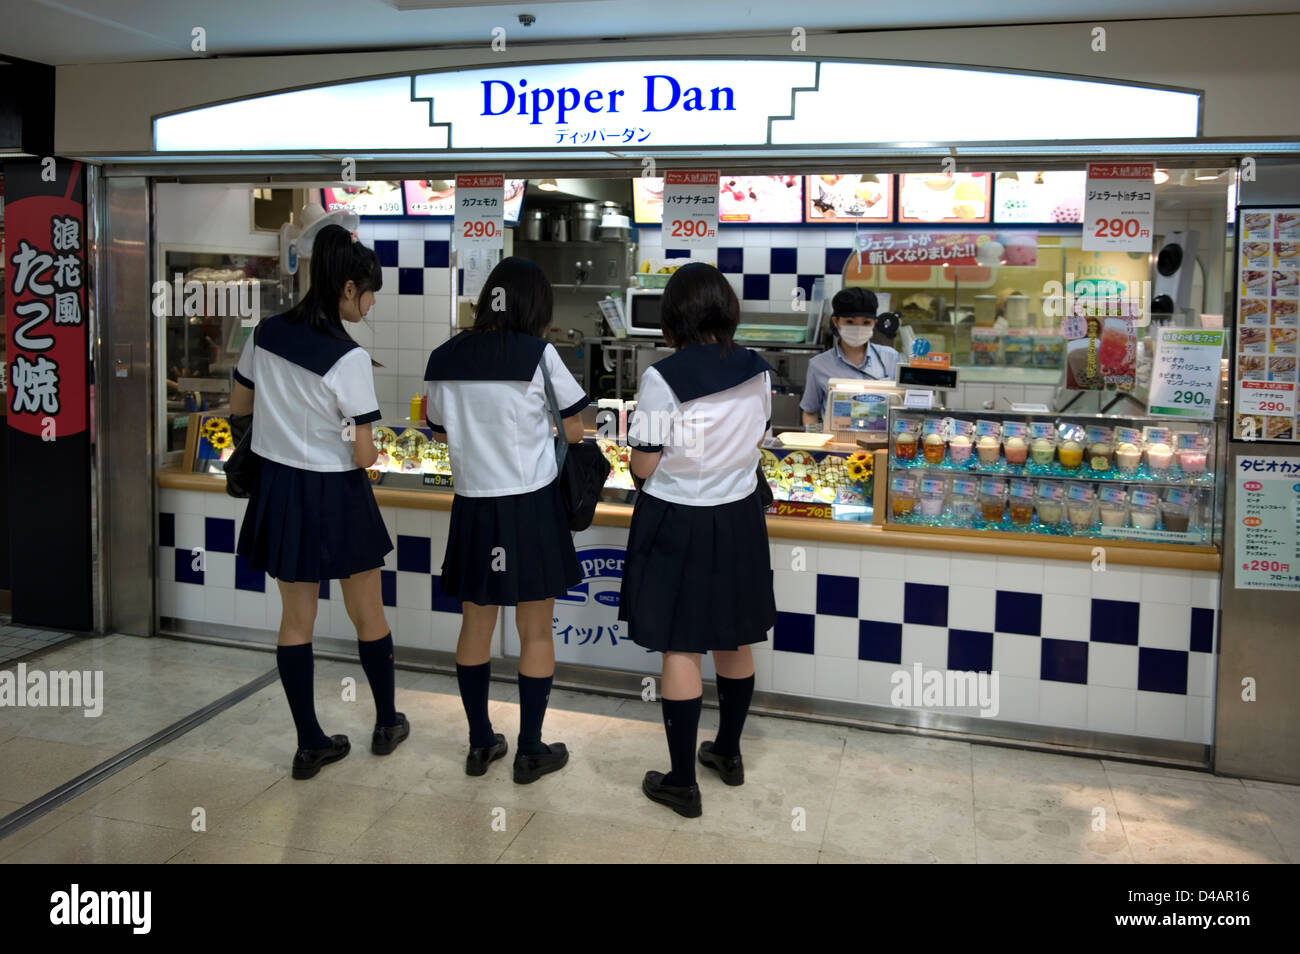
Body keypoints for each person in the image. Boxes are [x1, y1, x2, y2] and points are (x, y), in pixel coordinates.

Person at [230, 225, 408, 781]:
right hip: (336, 493)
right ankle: (385, 721)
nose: (372, 303)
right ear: (348, 286)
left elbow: (239, 405)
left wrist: (283, 432)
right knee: (368, 613)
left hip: (280, 489)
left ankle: (309, 742)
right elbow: (361, 454)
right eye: (370, 293)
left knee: (295, 619)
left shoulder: (264, 333)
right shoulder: (348, 358)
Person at [620, 262, 777, 818]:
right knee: (734, 638)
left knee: (681, 644)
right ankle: (728, 753)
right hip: (737, 517)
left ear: (673, 316)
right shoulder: (758, 371)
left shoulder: (664, 377)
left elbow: (642, 463)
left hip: (679, 519)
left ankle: (682, 782)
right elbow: (760, 437)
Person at [423, 257, 588, 783]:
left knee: (476, 625)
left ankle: (478, 742)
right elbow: (578, 430)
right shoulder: (539, 355)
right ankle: (531, 749)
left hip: (473, 506)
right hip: (531, 507)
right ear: (536, 306)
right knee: (536, 630)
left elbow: (439, 429)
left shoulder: (445, 356)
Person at [800, 287, 900, 427]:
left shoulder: (891, 358)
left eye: (866, 323)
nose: (858, 328)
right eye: (850, 322)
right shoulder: (818, 365)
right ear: (836, 322)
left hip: (880, 444)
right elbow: (810, 412)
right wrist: (813, 440)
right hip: (835, 444)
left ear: (874, 323)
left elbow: (902, 407)